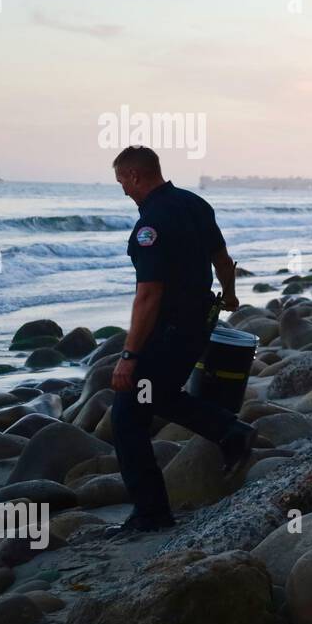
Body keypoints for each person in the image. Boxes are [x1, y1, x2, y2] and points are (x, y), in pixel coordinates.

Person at [106, 145, 257, 535]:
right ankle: (231, 432)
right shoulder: (195, 204)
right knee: (159, 395)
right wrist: (230, 294)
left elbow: (148, 295)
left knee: (126, 417)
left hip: (168, 331)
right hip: (198, 325)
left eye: (122, 180)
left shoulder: (150, 225)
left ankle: (152, 514)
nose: (123, 189)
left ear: (136, 176)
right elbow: (223, 260)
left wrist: (128, 354)